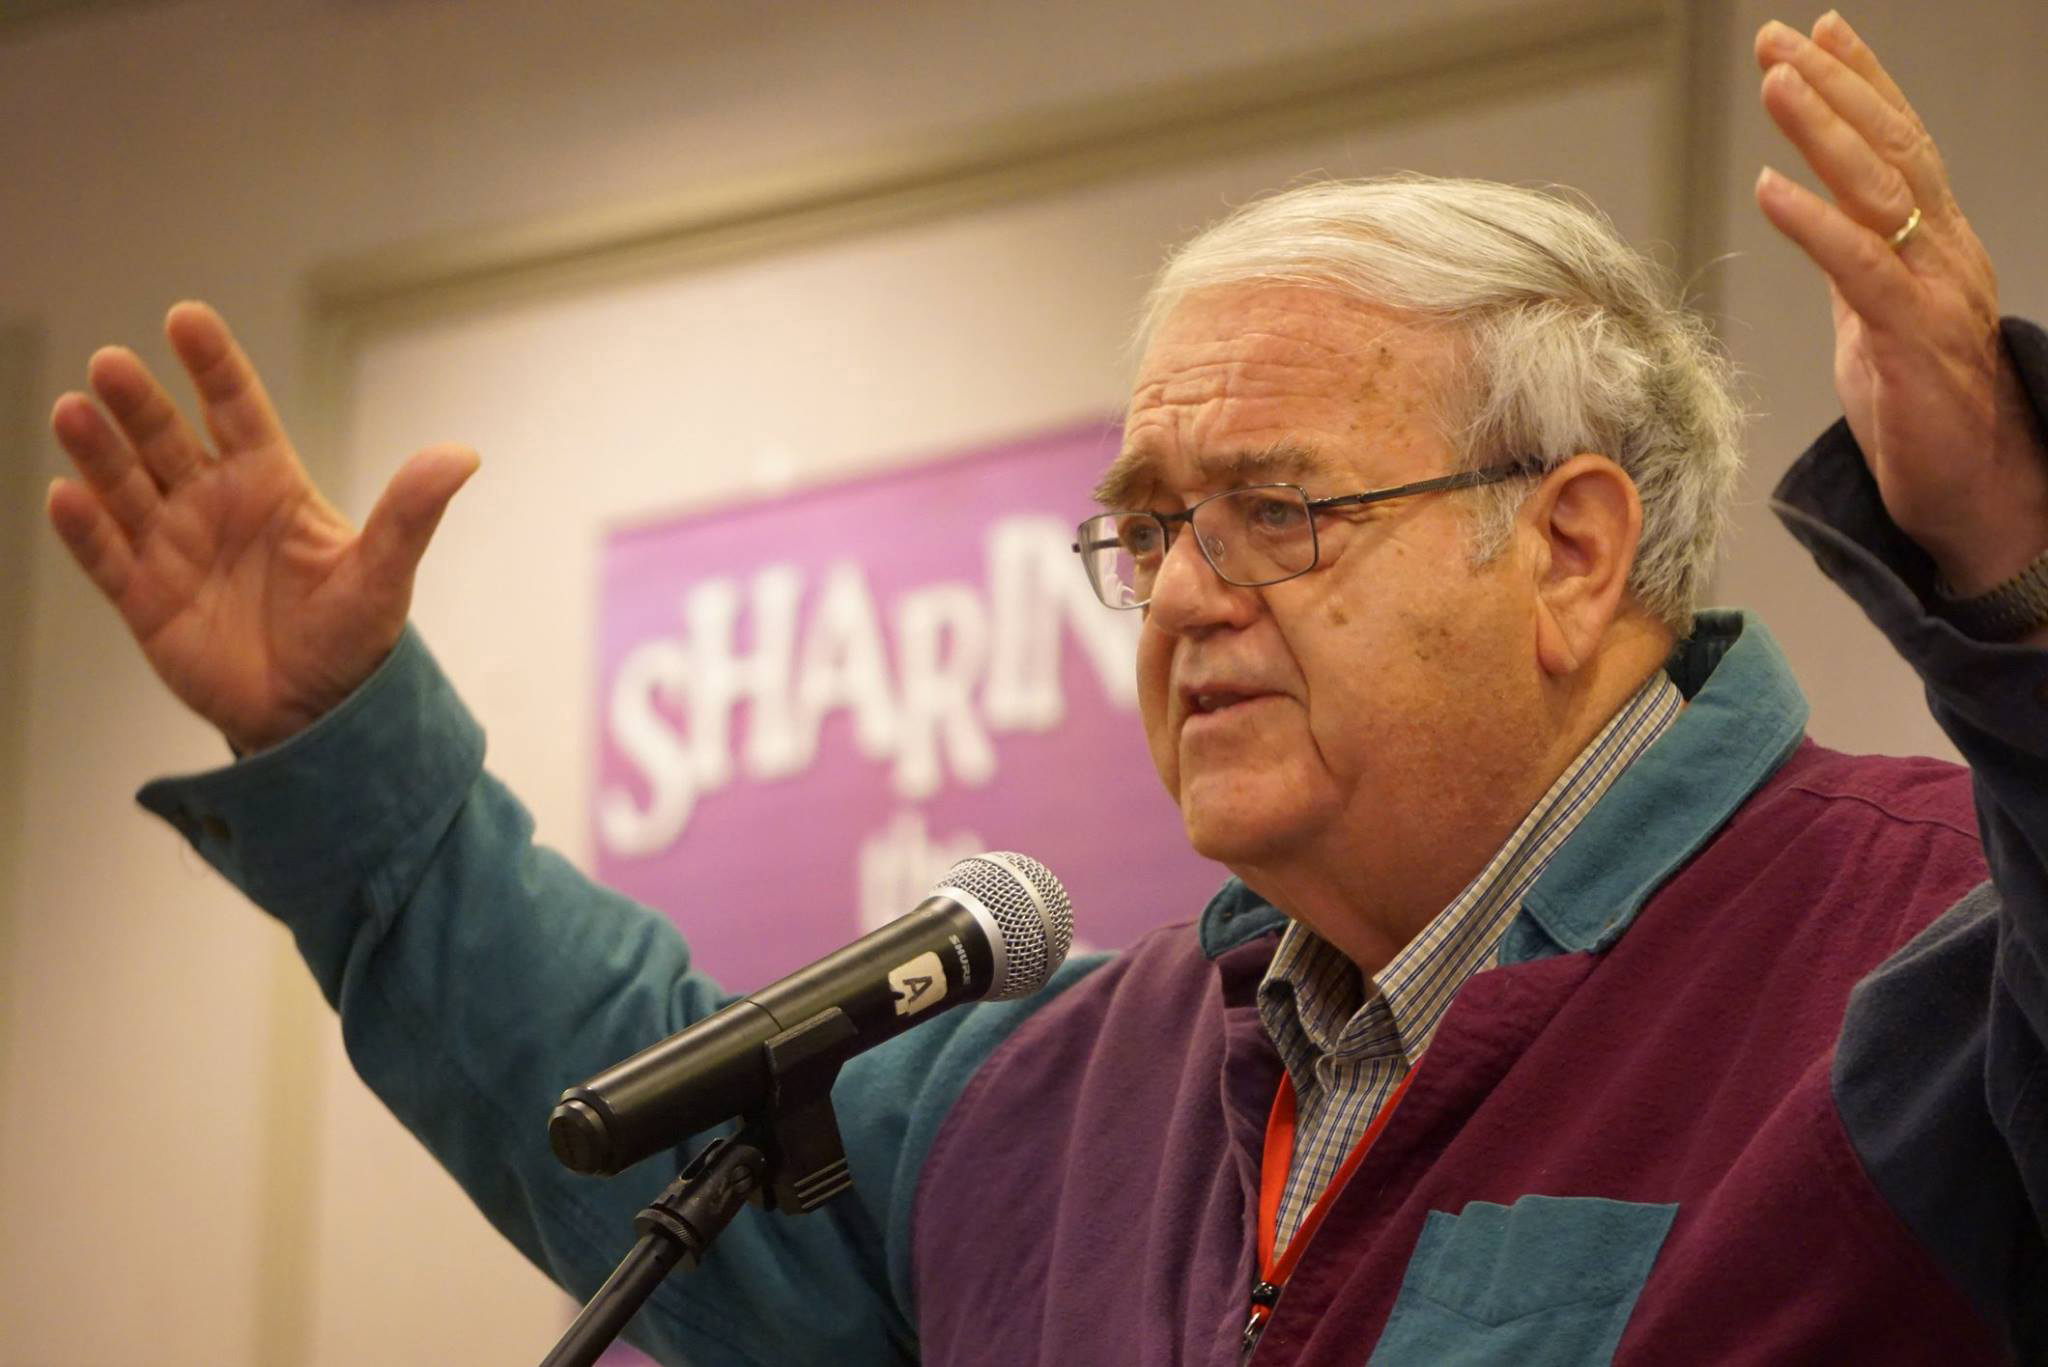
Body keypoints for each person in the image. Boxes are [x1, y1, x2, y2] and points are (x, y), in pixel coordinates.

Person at [41, 13, 2048, 1365]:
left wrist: (2016, 581)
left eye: (1278, 511)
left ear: (1572, 548)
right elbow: (647, 1100)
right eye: (1151, 527)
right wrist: (339, 744)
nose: (1184, 597)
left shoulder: (1924, 943)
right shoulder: (1062, 1094)